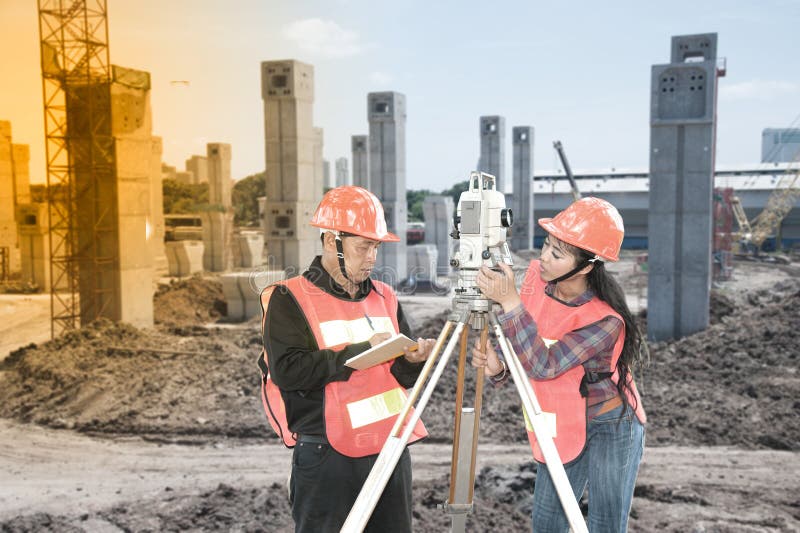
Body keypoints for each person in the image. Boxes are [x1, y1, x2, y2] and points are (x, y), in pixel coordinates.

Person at [258, 185, 436, 533]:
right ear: (331, 242)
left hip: (389, 451)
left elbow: (398, 377)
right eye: (363, 246)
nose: (372, 257)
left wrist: (412, 362)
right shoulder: (289, 297)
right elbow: (289, 372)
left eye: (375, 247)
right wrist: (362, 351)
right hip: (328, 457)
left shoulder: (384, 296)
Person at [471, 197, 647, 532]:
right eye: (547, 246)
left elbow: (545, 365)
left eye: (557, 253)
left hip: (609, 424)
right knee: (548, 522)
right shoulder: (536, 280)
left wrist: (508, 301)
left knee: (605, 525)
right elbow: (525, 343)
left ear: (585, 267)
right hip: (562, 421)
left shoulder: (605, 322)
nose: (544, 259)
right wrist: (500, 369)